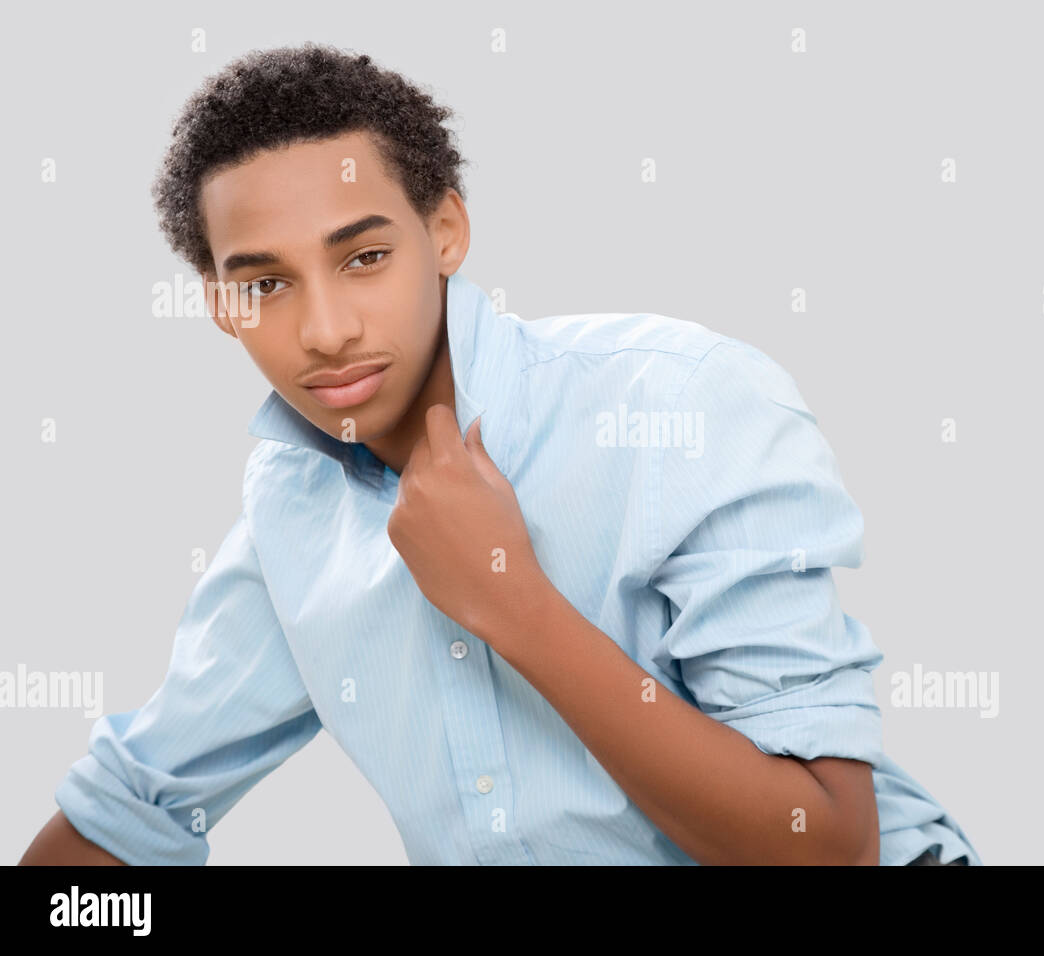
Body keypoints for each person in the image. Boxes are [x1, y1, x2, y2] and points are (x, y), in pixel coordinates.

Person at [21, 42, 980, 866]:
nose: (323, 330)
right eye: (264, 284)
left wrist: (510, 599)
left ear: (446, 230)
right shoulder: (292, 508)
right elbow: (132, 812)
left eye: (363, 258)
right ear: (220, 305)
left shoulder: (682, 404)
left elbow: (825, 843)